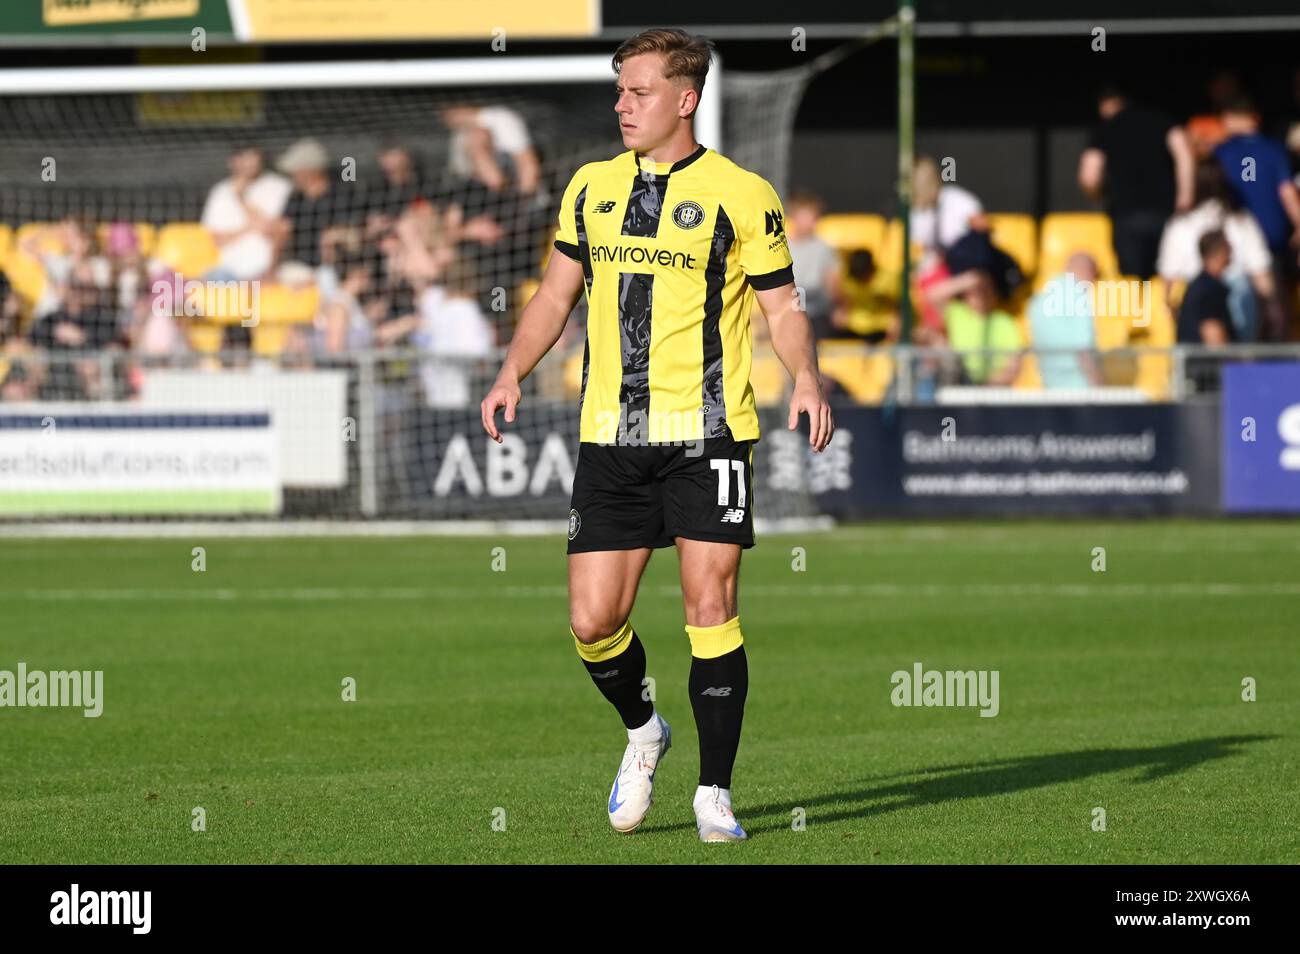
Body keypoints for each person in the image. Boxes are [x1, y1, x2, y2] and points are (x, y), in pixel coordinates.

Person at [479, 27, 833, 844]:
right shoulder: (590, 188)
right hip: (610, 437)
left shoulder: (743, 194)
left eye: (638, 92)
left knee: (710, 605)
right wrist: (511, 371)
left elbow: (782, 307)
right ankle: (645, 732)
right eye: (619, 91)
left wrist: (807, 376)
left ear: (685, 99)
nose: (622, 105)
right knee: (592, 623)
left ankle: (714, 792)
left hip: (710, 433)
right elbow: (552, 296)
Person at [1078, 85, 1195, 279]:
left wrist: (1098, 197)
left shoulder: (1105, 129)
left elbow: (1089, 177)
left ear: (1107, 105)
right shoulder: (1161, 121)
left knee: (1131, 281)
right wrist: (1185, 195)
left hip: (1125, 215)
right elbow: (1184, 154)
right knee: (1169, 278)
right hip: (1164, 212)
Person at [1157, 159, 1273, 342]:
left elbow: (1166, 285)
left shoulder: (1179, 225)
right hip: (1202, 319)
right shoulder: (1242, 222)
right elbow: (1263, 280)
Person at [1213, 95, 1300, 338]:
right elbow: (1288, 193)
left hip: (1233, 242)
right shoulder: (1274, 150)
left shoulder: (1222, 152)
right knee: (1273, 302)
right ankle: (1275, 354)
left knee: (1242, 304)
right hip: (1270, 238)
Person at [200, 145, 291, 282]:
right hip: (227, 272)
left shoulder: (279, 186)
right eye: (243, 157)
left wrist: (241, 198)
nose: (249, 163)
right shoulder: (220, 191)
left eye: (252, 157)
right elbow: (217, 240)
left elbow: (276, 230)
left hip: (266, 271)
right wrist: (250, 228)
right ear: (233, 161)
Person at [922, 268, 1023, 386]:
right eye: (976, 290)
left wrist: (986, 385)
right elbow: (932, 295)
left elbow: (1013, 365)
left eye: (986, 289)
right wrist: (968, 279)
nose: (981, 295)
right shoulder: (957, 313)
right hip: (959, 381)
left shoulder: (1004, 321)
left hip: (993, 388)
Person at [1027, 253, 1102, 390]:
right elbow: (1083, 351)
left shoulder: (1037, 300)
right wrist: (1100, 391)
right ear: (1089, 271)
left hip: (1049, 389)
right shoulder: (1079, 297)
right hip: (1080, 391)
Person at [783, 189, 840, 338]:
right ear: (794, 216)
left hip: (817, 316)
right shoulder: (782, 246)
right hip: (788, 313)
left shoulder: (823, 248)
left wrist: (836, 308)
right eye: (807, 216)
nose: (812, 222)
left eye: (814, 217)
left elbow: (833, 284)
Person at [1177, 230, 1236, 346]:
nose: (1232, 253)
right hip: (1205, 363)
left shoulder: (1196, 286)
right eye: (1229, 249)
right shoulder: (1210, 289)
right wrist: (1238, 362)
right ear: (1221, 252)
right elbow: (1214, 336)